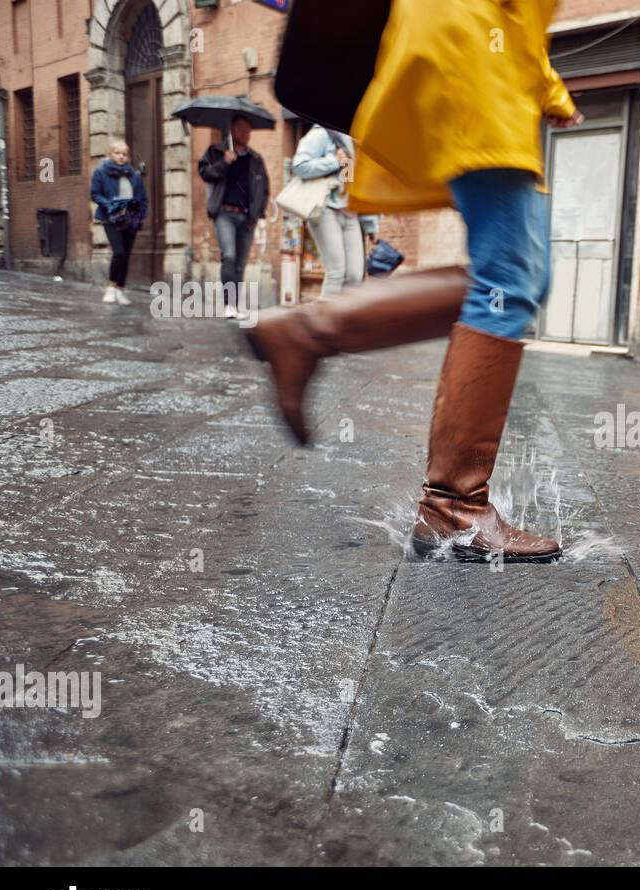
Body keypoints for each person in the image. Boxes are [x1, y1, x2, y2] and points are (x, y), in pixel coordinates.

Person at [247, 0, 583, 563]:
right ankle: (452, 506)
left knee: (514, 278)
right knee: (510, 277)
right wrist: (548, 88)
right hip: (472, 52)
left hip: (472, 51)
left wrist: (550, 90)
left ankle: (308, 330)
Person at [292, 124, 380, 296]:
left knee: (354, 276)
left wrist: (371, 224)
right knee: (336, 273)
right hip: (326, 210)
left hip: (351, 213)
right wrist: (333, 161)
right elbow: (299, 165)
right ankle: (327, 321)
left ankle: (345, 319)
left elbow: (363, 185)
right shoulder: (323, 133)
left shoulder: (359, 139)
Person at [198, 115, 269, 319]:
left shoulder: (256, 159)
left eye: (249, 131)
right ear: (232, 130)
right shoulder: (216, 151)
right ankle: (229, 305)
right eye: (241, 130)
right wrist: (224, 163)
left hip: (247, 217)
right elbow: (205, 173)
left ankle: (236, 305)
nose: (246, 134)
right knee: (228, 256)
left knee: (240, 263)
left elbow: (263, 189)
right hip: (224, 213)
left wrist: (257, 214)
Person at [90, 140, 147, 304]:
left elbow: (142, 197)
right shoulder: (101, 172)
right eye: (118, 153)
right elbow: (95, 194)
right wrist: (111, 206)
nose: (121, 157)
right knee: (119, 252)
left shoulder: (133, 175)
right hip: (110, 218)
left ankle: (121, 290)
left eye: (124, 154)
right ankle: (111, 287)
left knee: (126, 255)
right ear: (110, 154)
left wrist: (141, 215)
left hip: (131, 218)